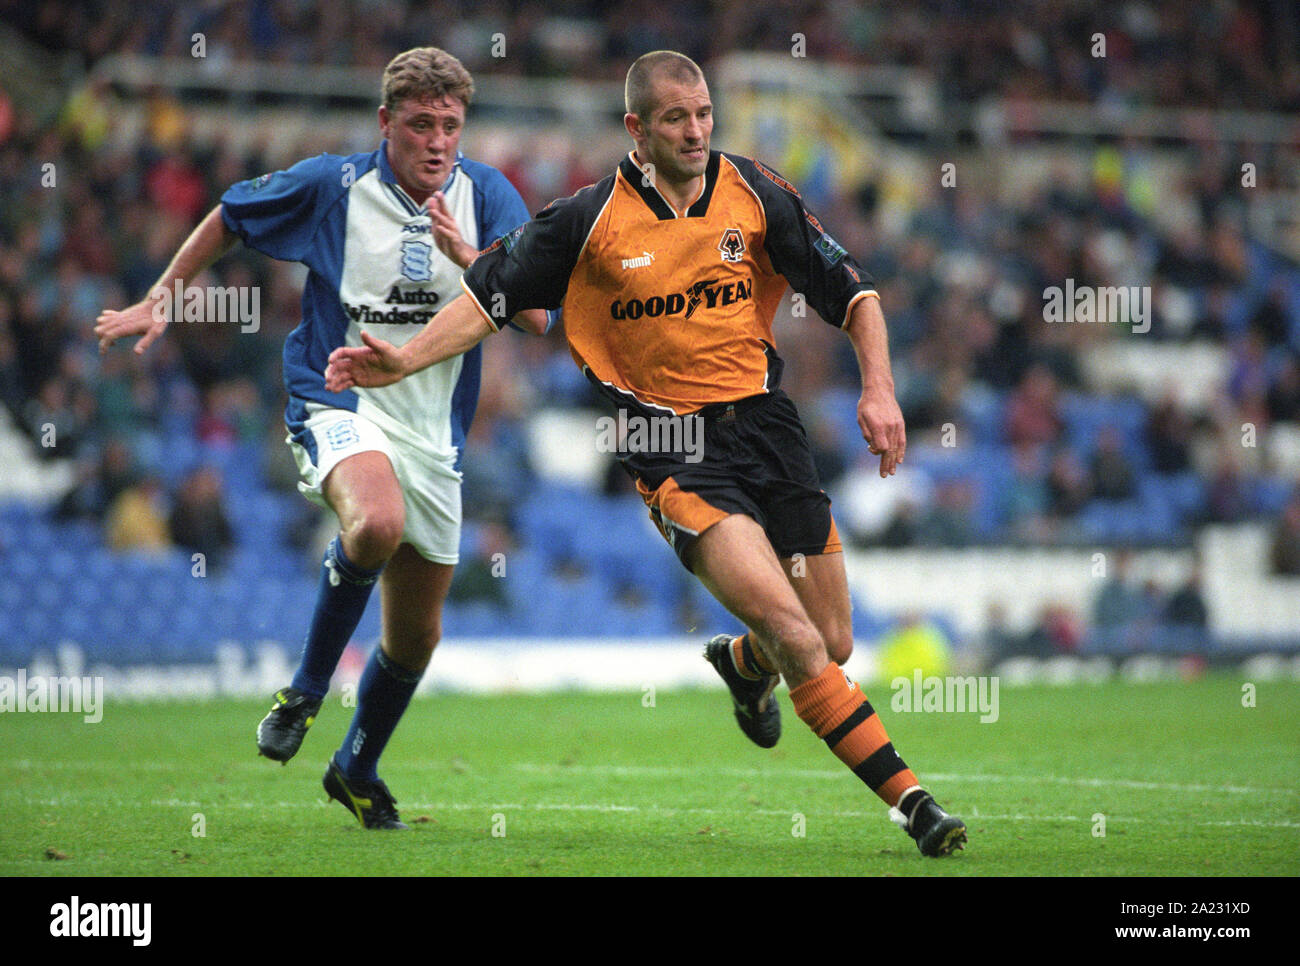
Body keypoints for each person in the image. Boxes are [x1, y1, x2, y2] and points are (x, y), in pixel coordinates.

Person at [325, 50, 967, 856]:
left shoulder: (757, 192)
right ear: (637, 129)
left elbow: (855, 293)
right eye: (675, 117)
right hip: (671, 447)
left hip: (769, 430)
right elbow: (489, 300)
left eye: (702, 113)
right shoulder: (585, 221)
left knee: (830, 639)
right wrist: (405, 357)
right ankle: (915, 806)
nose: (695, 130)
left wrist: (878, 387)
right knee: (800, 641)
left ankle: (742, 664)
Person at [95, 47, 547, 830]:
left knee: (415, 639)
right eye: (419, 126)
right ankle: (304, 692)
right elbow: (232, 215)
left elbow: (538, 316)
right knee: (374, 521)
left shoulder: (489, 195)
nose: (437, 142)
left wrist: (467, 257)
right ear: (385, 123)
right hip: (337, 398)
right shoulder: (332, 186)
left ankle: (355, 768)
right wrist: (161, 297)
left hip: (434, 433)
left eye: (450, 126)